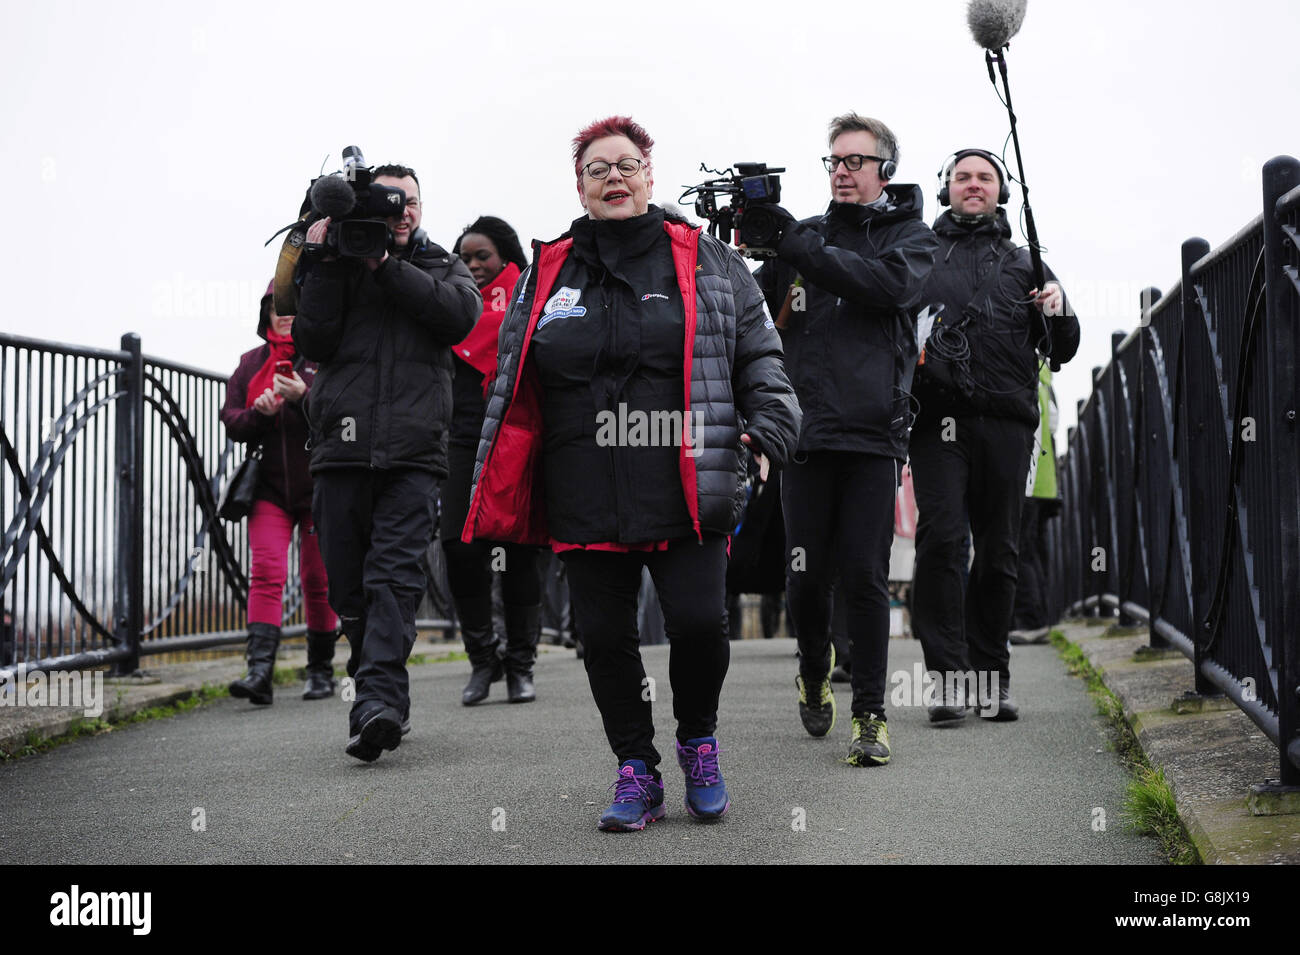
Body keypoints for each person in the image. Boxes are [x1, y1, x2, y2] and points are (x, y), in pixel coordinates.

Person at [462, 116, 800, 830]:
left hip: (687, 474)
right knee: (606, 634)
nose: (613, 178)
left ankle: (697, 740)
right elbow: (513, 378)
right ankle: (635, 767)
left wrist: (765, 436)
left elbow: (761, 357)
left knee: (700, 623)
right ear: (579, 186)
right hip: (583, 481)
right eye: (596, 169)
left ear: (649, 174)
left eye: (626, 165)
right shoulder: (549, 269)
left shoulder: (710, 262)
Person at [754, 112, 938, 767]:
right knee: (804, 582)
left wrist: (798, 249)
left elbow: (888, 288)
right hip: (804, 437)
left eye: (855, 161)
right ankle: (811, 666)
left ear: (884, 171)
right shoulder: (799, 241)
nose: (841, 170)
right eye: (833, 160)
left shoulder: (911, 237)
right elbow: (752, 319)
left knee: (863, 574)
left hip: (872, 435)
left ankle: (870, 715)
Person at [293, 162, 481, 761]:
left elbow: (457, 317)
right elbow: (313, 340)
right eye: (392, 201)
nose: (404, 211)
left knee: (394, 581)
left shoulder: (439, 266)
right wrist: (326, 260)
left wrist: (385, 266)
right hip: (340, 452)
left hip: (414, 455)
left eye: (413, 201)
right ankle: (373, 680)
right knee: (350, 589)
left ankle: (378, 704)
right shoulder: (336, 262)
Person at [909, 147, 1079, 723]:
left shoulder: (1027, 264)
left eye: (986, 177)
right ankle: (948, 680)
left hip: (1007, 422)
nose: (974, 185)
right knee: (941, 541)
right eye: (963, 177)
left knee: (1000, 550)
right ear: (945, 189)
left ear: (1002, 192)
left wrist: (1057, 311)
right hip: (936, 423)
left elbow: (1066, 349)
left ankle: (991, 677)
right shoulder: (918, 255)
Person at [220, 282, 338, 705]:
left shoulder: (324, 357)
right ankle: (259, 673)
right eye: (276, 307)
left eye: (292, 307)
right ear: (265, 314)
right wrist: (259, 414)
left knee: (318, 578)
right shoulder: (251, 364)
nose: (284, 314)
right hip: (268, 489)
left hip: (319, 487)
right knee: (266, 573)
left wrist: (307, 398)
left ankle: (321, 671)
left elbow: (343, 414)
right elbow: (231, 419)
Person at [444, 217, 543, 705]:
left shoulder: (530, 297)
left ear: (505, 255)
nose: (473, 265)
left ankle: (521, 664)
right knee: (458, 547)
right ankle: (483, 661)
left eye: (481, 255)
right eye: (463, 258)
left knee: (520, 551)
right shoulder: (452, 305)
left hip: (517, 437)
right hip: (461, 439)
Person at [1009, 364, 1060, 644]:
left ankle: (1031, 621)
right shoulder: (1046, 380)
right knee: (1036, 551)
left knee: (1022, 549)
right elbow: (1052, 423)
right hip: (1045, 479)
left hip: (1028, 477)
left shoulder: (1025, 375)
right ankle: (1040, 619)